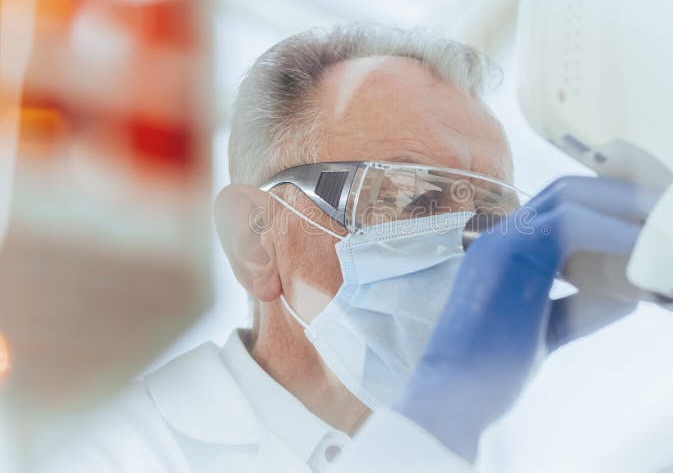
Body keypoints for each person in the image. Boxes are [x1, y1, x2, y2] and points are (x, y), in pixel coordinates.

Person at [37, 24, 641, 473]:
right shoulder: (104, 449)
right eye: (408, 198)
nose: (469, 253)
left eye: (493, 218)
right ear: (255, 240)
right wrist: (438, 421)